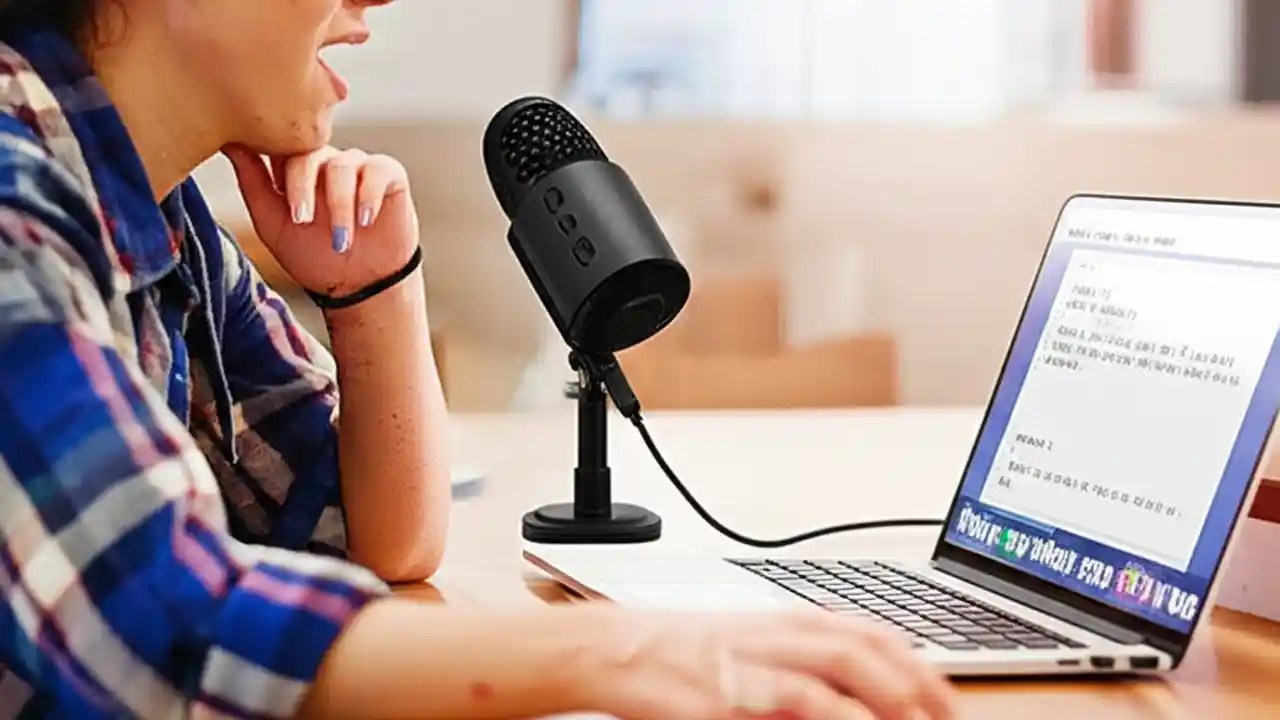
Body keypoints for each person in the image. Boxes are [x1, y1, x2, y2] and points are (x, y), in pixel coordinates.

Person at [0, 1, 960, 718]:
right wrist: (619, 651)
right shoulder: (14, 213)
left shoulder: (155, 215)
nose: (375, 0)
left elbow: (373, 540)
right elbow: (168, 631)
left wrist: (375, 289)